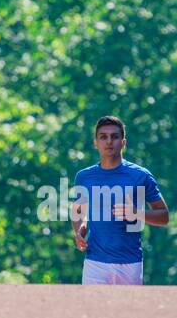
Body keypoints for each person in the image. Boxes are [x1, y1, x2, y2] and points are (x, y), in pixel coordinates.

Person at [71, 116, 169, 284]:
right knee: (91, 309)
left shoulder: (141, 175)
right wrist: (80, 231)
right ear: (96, 143)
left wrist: (136, 213)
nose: (109, 141)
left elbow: (164, 216)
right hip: (95, 262)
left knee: (129, 310)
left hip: (130, 263)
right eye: (103, 137)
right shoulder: (84, 176)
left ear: (123, 143)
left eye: (114, 137)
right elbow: (79, 212)